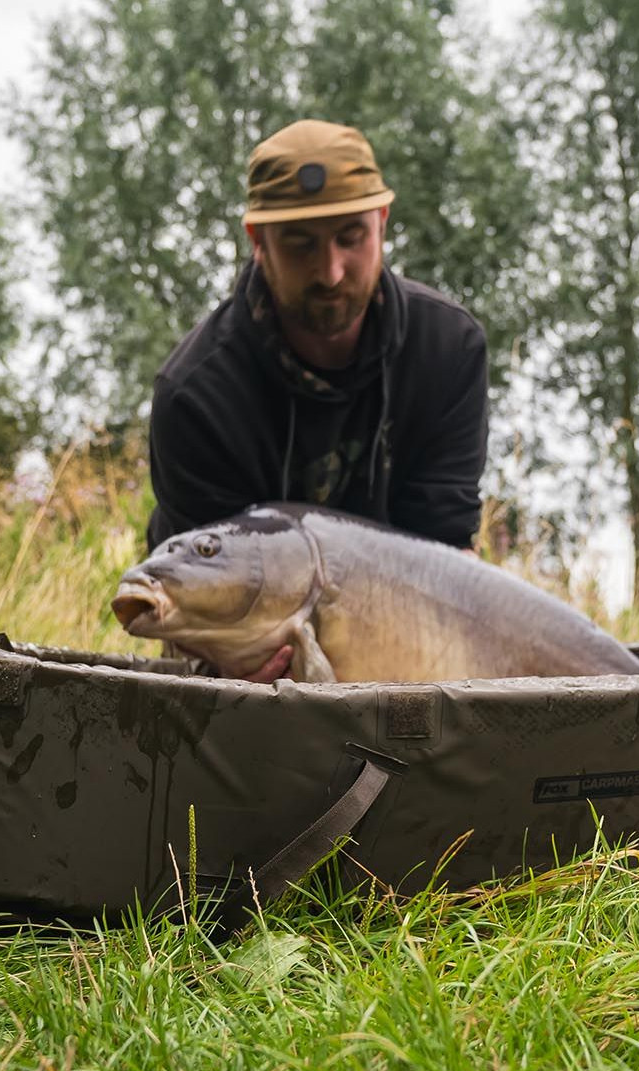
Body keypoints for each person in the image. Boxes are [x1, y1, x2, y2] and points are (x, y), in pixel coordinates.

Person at [145, 119, 489, 680]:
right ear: (258, 242)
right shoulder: (196, 394)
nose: (330, 272)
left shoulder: (449, 349)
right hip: (242, 643)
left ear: (382, 223)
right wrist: (228, 670)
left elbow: (445, 555)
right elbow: (197, 594)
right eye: (301, 244)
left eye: (350, 237)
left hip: (400, 622)